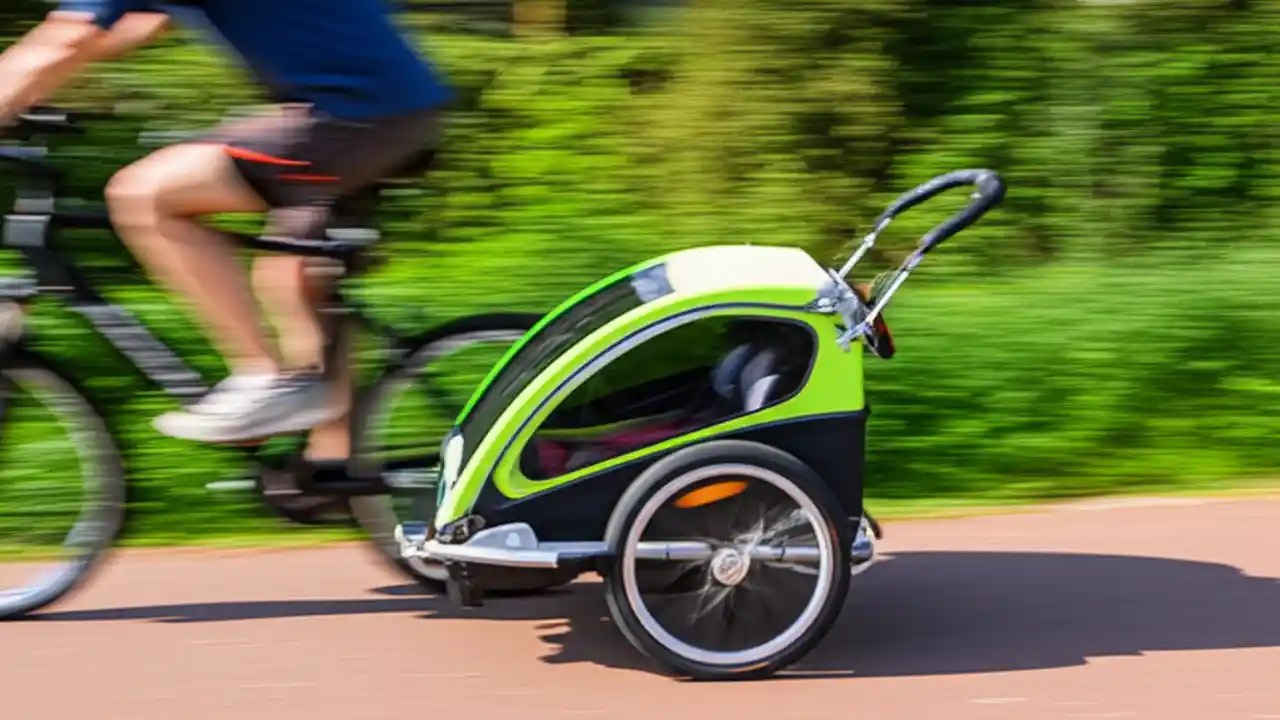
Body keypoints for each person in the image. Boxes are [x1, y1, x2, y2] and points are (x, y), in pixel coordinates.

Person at [0, 1, 450, 460]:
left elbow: (68, 36)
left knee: (146, 195)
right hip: (392, 108)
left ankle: (261, 376)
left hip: (356, 115)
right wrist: (42, 85)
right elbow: (138, 24)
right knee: (294, 275)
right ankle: (337, 467)